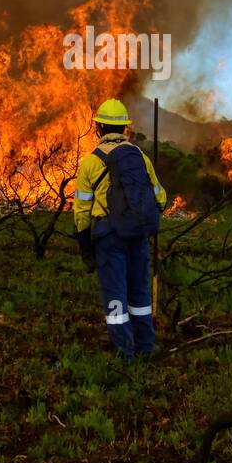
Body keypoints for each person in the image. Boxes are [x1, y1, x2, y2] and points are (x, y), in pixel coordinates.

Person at [73, 98, 167, 361]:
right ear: (125, 129)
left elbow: (81, 209)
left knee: (115, 295)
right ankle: (146, 347)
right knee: (139, 293)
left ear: (99, 128)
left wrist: (84, 243)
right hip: (137, 235)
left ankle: (125, 354)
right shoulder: (141, 158)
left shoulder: (90, 163)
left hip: (109, 237)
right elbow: (160, 198)